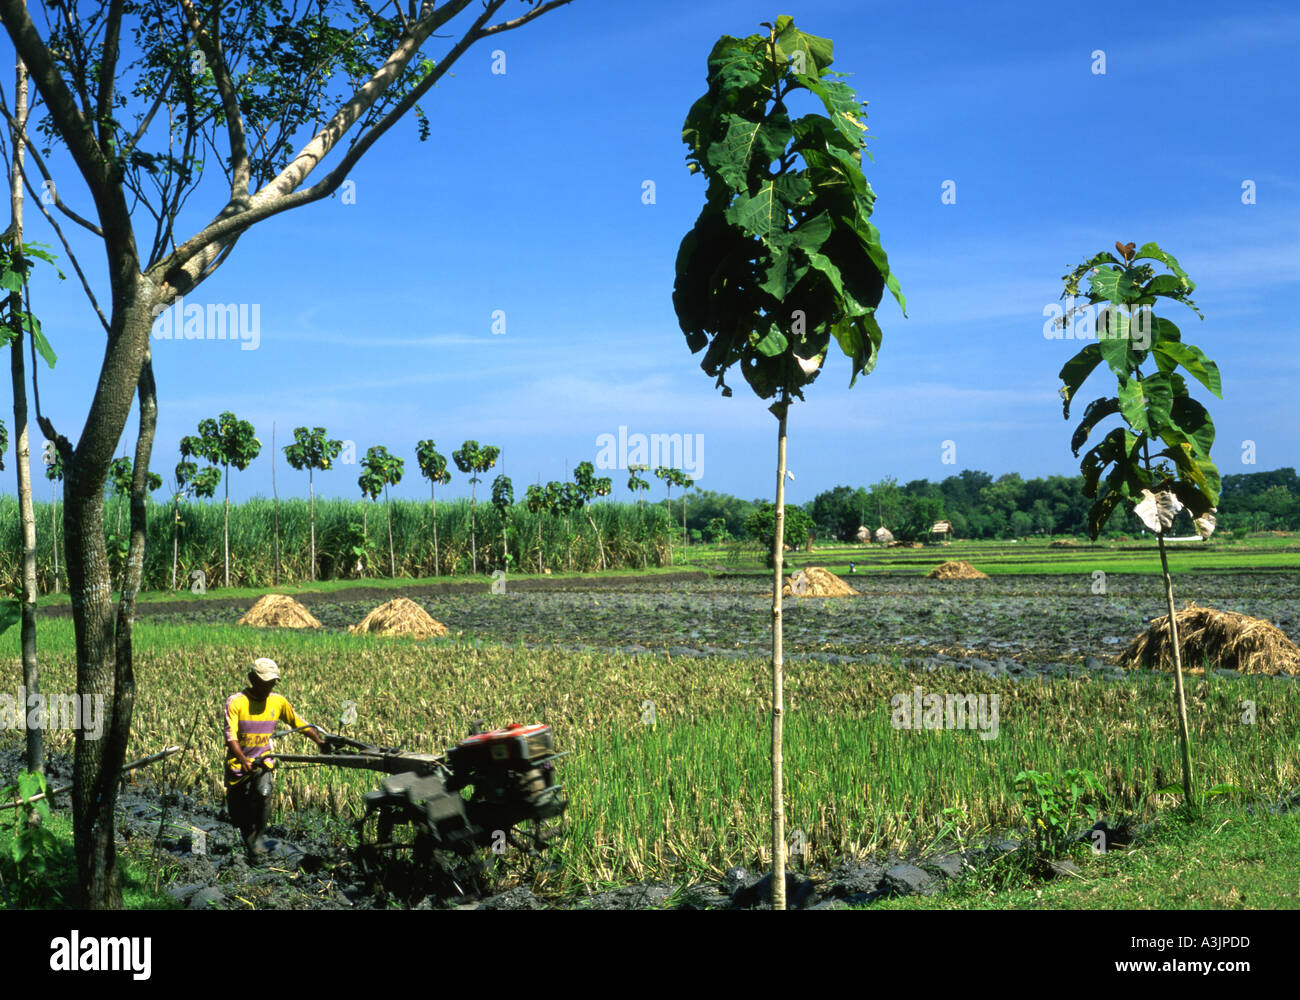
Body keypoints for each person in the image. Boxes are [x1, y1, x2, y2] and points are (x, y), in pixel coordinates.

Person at [223, 657, 326, 861]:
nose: (267, 687)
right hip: (238, 765)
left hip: (263, 761)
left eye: (271, 683)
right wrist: (243, 759)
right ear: (252, 678)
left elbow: (298, 723)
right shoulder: (236, 702)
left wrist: (319, 741)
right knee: (239, 814)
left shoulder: (278, 702)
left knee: (263, 793)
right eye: (263, 683)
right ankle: (251, 843)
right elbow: (230, 737)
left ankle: (259, 839)